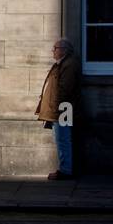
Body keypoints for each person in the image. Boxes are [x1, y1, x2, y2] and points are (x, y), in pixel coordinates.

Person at [36, 38, 81, 180]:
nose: (53, 51)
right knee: (62, 138)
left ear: (63, 50)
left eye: (55, 48)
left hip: (64, 107)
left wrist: (54, 107)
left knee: (63, 139)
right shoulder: (63, 63)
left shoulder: (69, 64)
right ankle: (65, 168)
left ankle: (66, 170)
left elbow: (64, 89)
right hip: (62, 107)